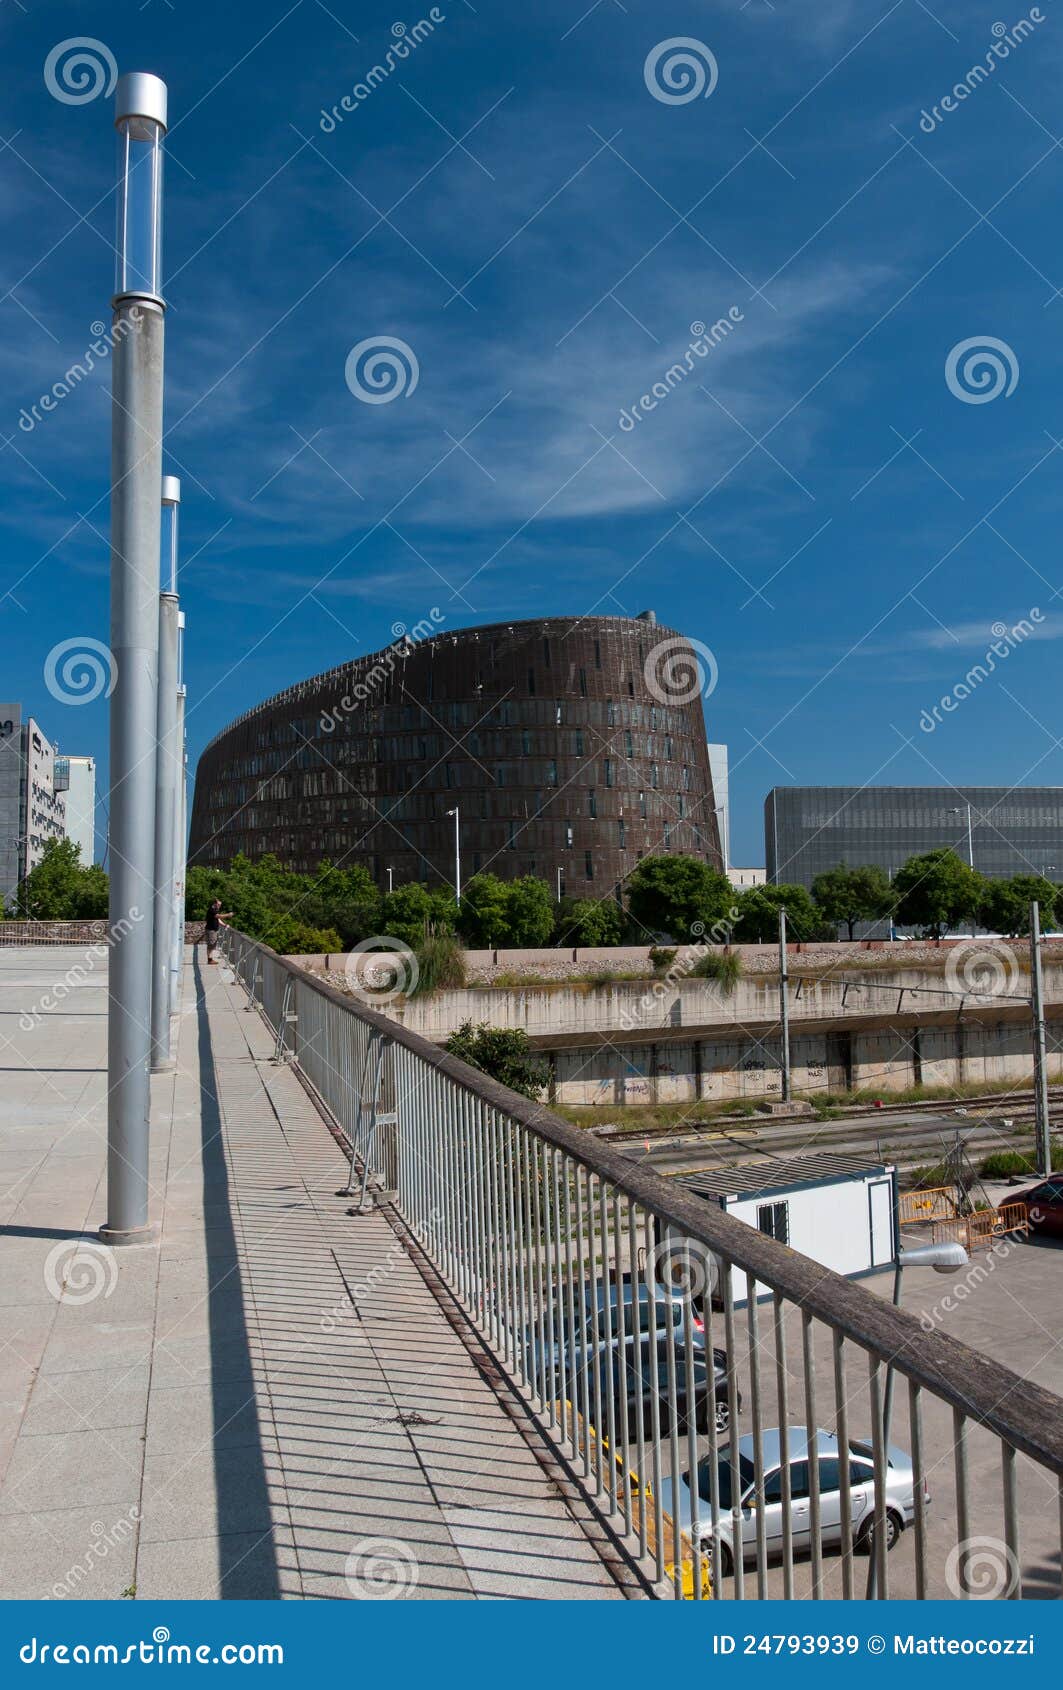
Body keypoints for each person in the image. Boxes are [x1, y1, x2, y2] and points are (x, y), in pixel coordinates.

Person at [204, 898, 232, 965]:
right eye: (218, 904)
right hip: (211, 930)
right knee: (211, 945)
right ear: (215, 903)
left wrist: (224, 925)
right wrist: (228, 915)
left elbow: (218, 920)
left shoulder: (215, 910)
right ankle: (209, 960)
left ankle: (210, 959)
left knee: (212, 945)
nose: (219, 906)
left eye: (220, 905)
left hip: (212, 930)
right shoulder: (212, 910)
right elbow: (219, 916)